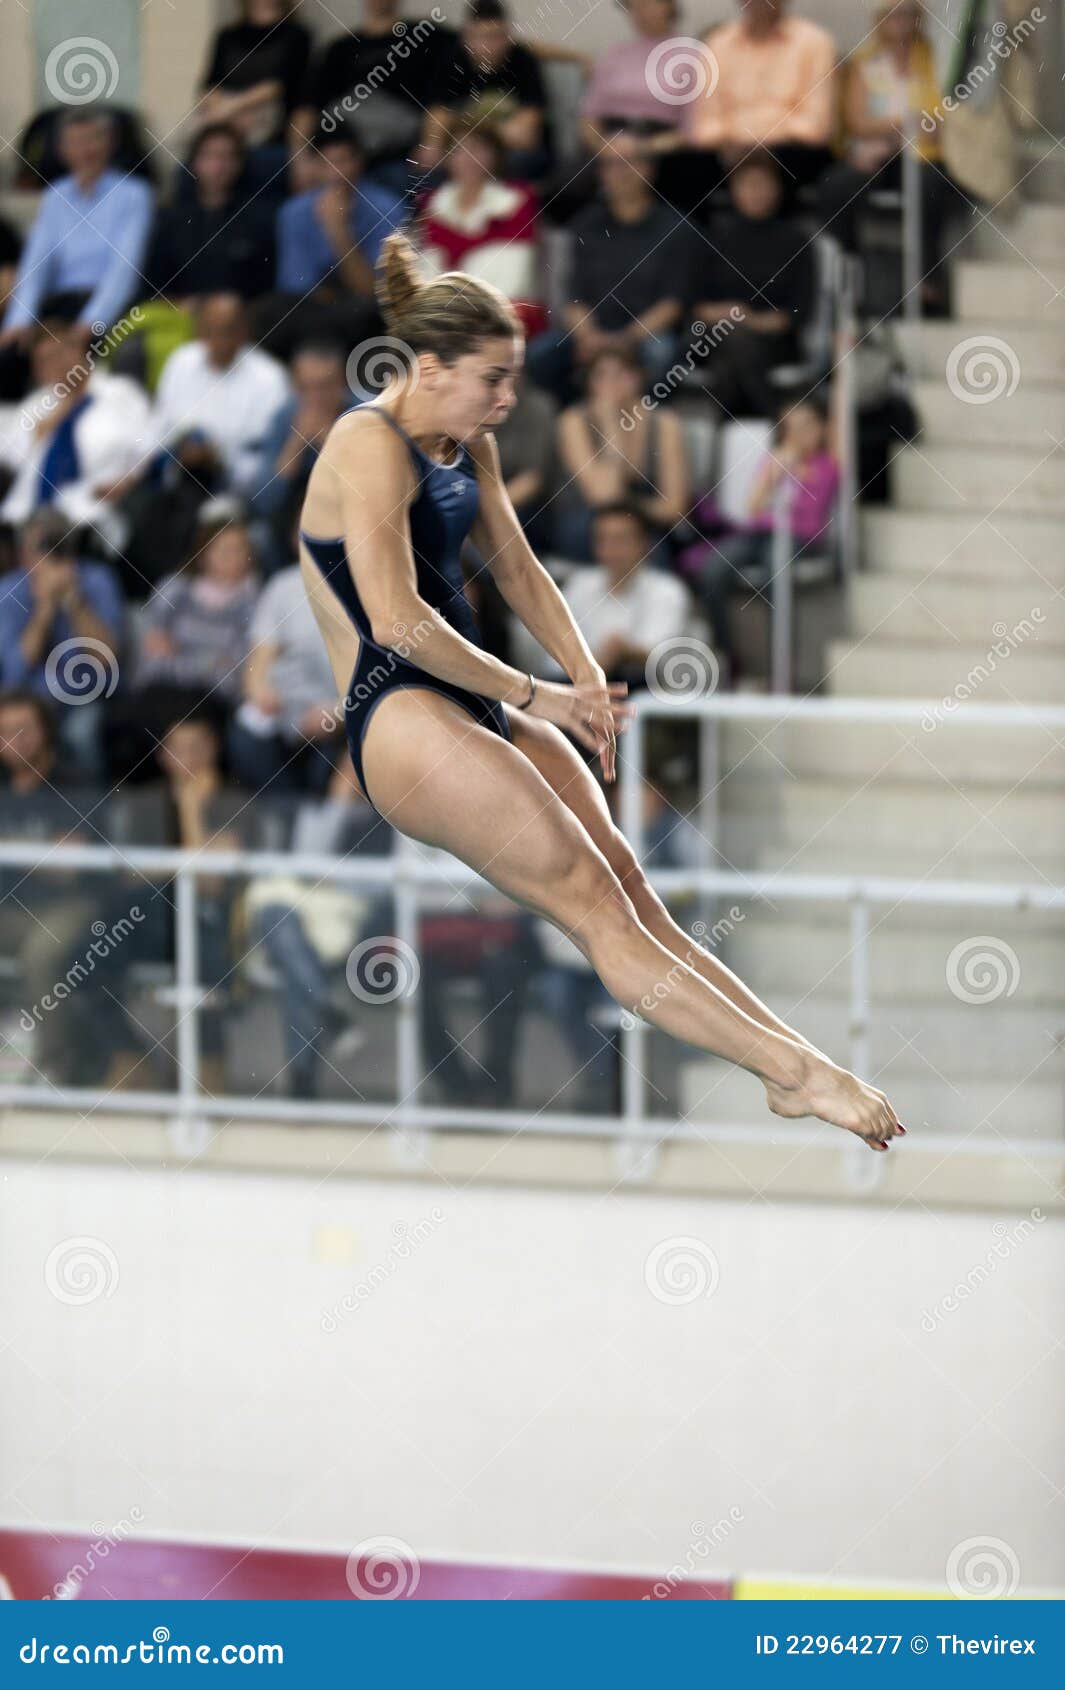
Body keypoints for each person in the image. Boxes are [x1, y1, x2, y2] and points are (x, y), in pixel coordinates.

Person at [297, 230, 906, 1152]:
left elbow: (517, 568)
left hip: (466, 700)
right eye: (492, 379)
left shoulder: (466, 441)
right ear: (429, 368)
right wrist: (534, 694)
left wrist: (582, 674)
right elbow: (395, 620)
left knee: (628, 886)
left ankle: (791, 1064)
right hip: (396, 715)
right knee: (588, 898)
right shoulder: (365, 441)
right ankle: (796, 1075)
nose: (509, 399)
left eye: (512, 379)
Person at [680, 395, 839, 683]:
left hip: (798, 538)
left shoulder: (827, 466)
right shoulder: (775, 460)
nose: (799, 435)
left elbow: (811, 513)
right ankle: (728, 655)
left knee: (775, 576)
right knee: (713, 570)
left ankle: (781, 667)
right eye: (792, 428)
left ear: (822, 428)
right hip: (759, 534)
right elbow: (753, 507)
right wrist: (775, 472)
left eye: (806, 426)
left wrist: (798, 473)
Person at [817, 0, 962, 313]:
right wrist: (906, 123)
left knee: (928, 184)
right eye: (893, 15)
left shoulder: (935, 60)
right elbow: (858, 121)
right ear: (880, 19)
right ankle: (844, 273)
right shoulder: (866, 63)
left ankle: (927, 282)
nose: (900, 21)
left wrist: (896, 127)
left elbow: (943, 120)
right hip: (879, 153)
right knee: (838, 186)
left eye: (908, 14)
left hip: (924, 155)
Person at [526, 148, 695, 405]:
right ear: (601, 173)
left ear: (650, 169)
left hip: (645, 333)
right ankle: (574, 419)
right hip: (592, 331)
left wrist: (625, 340)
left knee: (661, 352)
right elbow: (574, 295)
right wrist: (587, 334)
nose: (621, 172)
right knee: (540, 354)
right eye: (612, 164)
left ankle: (643, 422)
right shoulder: (585, 224)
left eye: (630, 162)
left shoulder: (676, 228)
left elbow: (673, 304)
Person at [0, 109, 153, 356]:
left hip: (111, 308)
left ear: (110, 143)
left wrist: (90, 323)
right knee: (11, 353)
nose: (86, 150)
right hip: (59, 304)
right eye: (76, 142)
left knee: (101, 352)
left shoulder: (134, 194)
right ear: (62, 149)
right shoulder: (55, 196)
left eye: (93, 139)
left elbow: (124, 270)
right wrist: (19, 321)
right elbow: (36, 264)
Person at [0, 314, 154, 553]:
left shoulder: (120, 393)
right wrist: (45, 427)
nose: (57, 365)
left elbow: (149, 444)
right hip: (27, 519)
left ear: (78, 349)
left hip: (93, 513)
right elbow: (10, 460)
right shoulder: (36, 406)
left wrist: (128, 480)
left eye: (59, 354)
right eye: (45, 361)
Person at [688, 151, 815, 415]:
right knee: (731, 341)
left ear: (777, 189)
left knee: (732, 354)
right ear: (733, 189)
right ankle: (776, 418)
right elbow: (694, 303)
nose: (756, 192)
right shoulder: (713, 238)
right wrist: (728, 314)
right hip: (714, 334)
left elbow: (799, 311)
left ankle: (724, 424)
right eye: (747, 184)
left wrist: (750, 320)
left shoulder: (795, 240)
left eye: (763, 184)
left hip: (774, 339)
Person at [0, 513, 124, 779]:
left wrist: (73, 601)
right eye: (43, 548)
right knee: (16, 730)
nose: (51, 556)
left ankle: (88, 801)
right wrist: (44, 608)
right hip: (28, 699)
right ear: (24, 555)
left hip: (83, 697)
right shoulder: (9, 589)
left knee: (82, 732)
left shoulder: (97, 579)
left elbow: (105, 659)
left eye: (58, 546)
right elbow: (16, 670)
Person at [523, 503, 696, 686]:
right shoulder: (579, 585)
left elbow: (661, 657)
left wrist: (622, 653)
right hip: (579, 685)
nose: (610, 549)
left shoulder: (668, 590)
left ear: (644, 543)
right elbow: (555, 659)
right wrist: (596, 666)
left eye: (620, 540)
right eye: (602, 540)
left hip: (644, 687)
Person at [553, 346, 689, 563]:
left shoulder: (664, 423)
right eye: (602, 376)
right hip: (589, 523)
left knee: (650, 547)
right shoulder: (573, 420)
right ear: (589, 383)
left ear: (638, 377)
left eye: (621, 374)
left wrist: (633, 508)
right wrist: (610, 426)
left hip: (644, 523)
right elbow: (603, 495)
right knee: (606, 535)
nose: (612, 384)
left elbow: (674, 506)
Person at [149, 294, 292, 496]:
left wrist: (217, 460)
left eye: (226, 331)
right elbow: (158, 429)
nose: (218, 339)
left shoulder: (270, 378)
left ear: (244, 331)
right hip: (172, 478)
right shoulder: (180, 361)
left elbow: (264, 458)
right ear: (199, 330)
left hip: (233, 491)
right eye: (209, 330)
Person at [415, 117, 546, 337]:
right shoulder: (434, 205)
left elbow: (516, 278)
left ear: (495, 155)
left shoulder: (517, 202)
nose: (468, 158)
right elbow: (427, 278)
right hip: (446, 322)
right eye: (458, 150)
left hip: (506, 317)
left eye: (477, 149)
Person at [686, 0, 838, 189]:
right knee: (685, 168)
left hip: (790, 150)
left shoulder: (815, 42)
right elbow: (705, 125)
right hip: (728, 149)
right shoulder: (718, 42)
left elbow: (815, 126)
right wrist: (736, 143)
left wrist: (758, 145)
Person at [135, 510, 259, 706]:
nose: (234, 557)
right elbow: (152, 662)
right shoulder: (173, 589)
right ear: (202, 555)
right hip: (162, 693)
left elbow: (233, 679)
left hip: (216, 704)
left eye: (240, 550)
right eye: (225, 550)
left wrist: (178, 655)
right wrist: (213, 661)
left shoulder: (255, 603)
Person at [143, 123, 275, 304]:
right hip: (178, 311)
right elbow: (152, 285)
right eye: (209, 156)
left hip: (240, 312)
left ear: (240, 164)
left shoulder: (260, 219)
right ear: (194, 162)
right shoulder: (169, 220)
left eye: (227, 157)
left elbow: (267, 287)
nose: (218, 166)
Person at [422, 0, 552, 182]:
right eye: (480, 37)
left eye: (496, 37)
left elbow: (524, 135)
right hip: (466, 148)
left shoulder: (523, 61)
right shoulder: (452, 61)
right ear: (466, 37)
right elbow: (437, 118)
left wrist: (466, 130)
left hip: (510, 154)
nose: (488, 46)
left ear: (508, 36)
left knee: (518, 161)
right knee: (426, 167)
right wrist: (434, 144)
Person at [197, 0, 313, 151]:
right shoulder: (227, 35)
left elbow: (280, 86)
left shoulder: (297, 35)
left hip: (269, 115)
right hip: (224, 110)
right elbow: (211, 84)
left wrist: (233, 108)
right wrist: (219, 109)